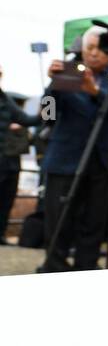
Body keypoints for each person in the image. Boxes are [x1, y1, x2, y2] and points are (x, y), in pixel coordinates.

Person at [38, 28, 108, 272]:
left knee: (93, 224)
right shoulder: (67, 74)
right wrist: (51, 86)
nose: (94, 54)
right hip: (65, 160)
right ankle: (54, 266)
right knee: (58, 221)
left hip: (102, 163)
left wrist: (96, 93)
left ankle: (87, 267)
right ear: (82, 49)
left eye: (100, 49)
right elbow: (47, 115)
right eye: (89, 48)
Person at [0, 66, 41, 246]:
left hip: (9, 162)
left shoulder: (5, 100)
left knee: (6, 199)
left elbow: (31, 120)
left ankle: (0, 235)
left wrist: (50, 99)